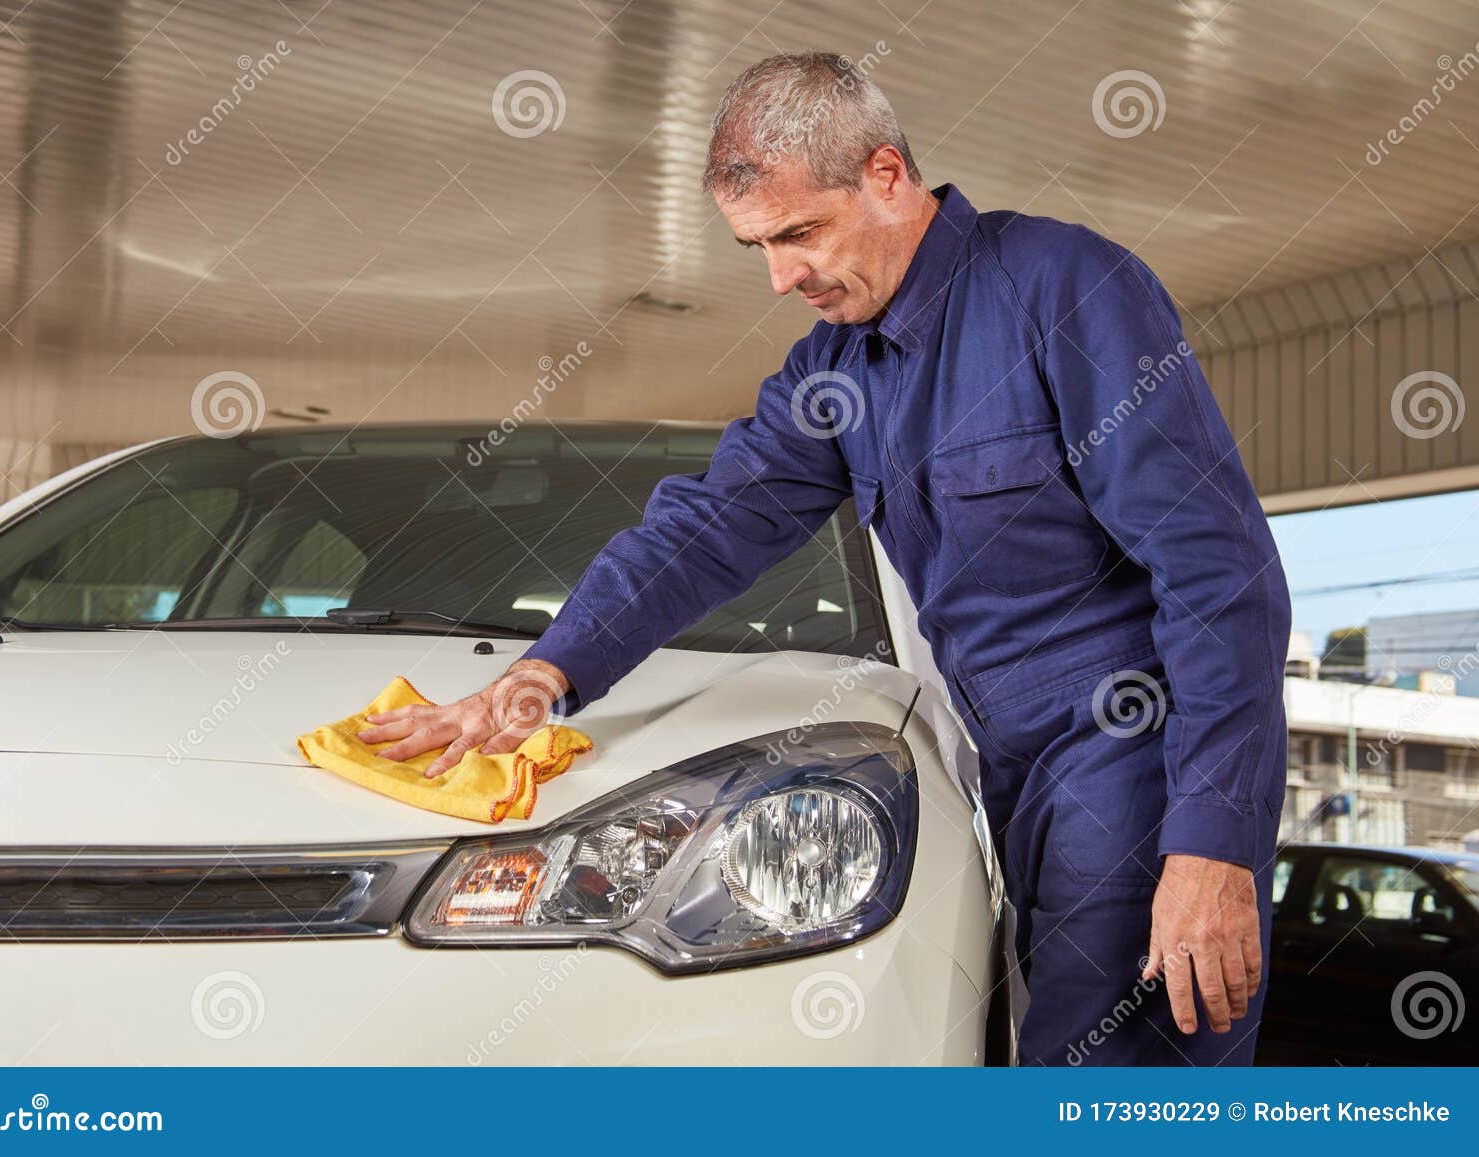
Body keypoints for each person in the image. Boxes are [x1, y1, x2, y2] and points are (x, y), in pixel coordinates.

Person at [357, 52, 1290, 1066]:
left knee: (1119, 1075)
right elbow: (706, 527)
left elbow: (1219, 574)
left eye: (799, 233)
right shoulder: (834, 369)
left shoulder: (1063, 290)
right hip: (1015, 764)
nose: (779, 275)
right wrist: (543, 672)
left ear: (886, 177)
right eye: (757, 246)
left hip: (1136, 751)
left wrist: (1209, 840)